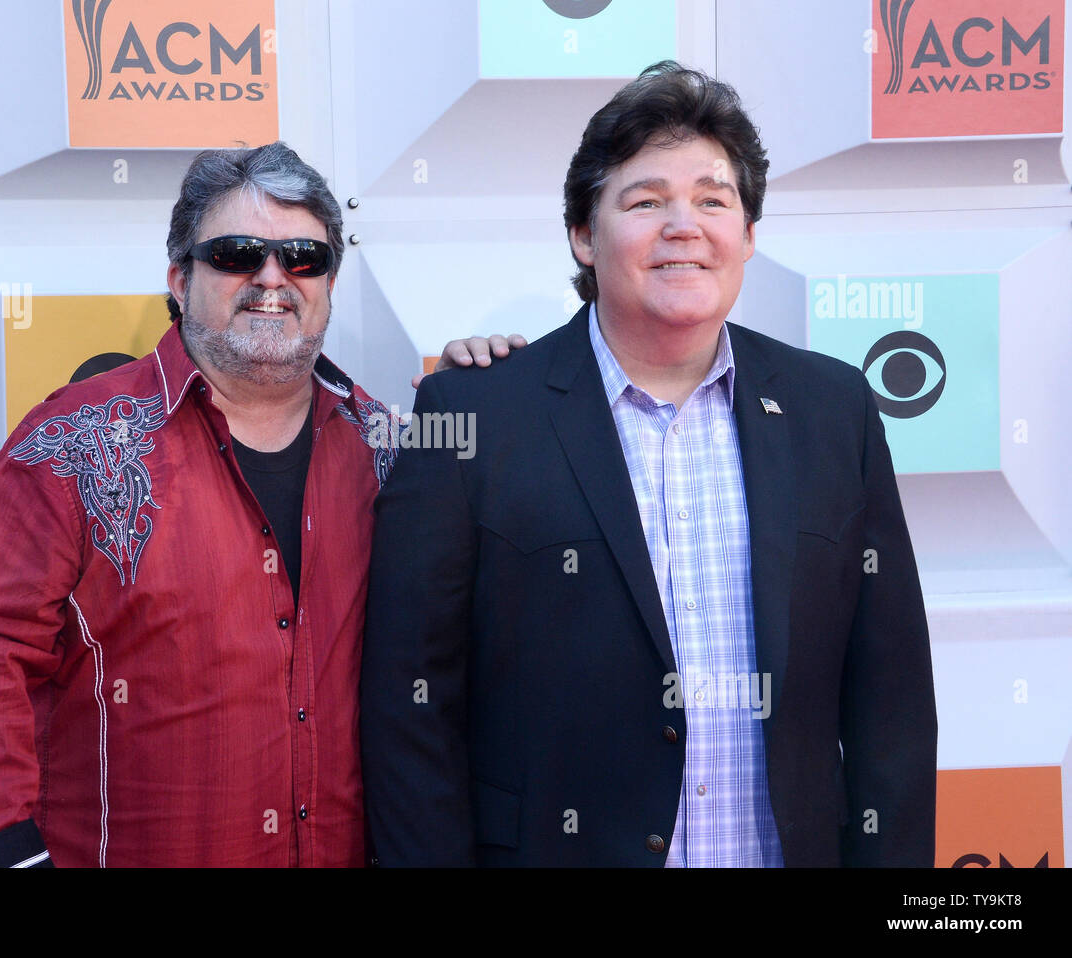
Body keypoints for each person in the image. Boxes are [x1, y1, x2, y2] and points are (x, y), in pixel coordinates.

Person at [359, 61, 938, 867]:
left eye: (713, 199)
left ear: (748, 235)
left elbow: (892, 702)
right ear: (583, 235)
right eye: (644, 200)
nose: (684, 225)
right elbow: (409, 709)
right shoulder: (475, 415)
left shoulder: (832, 411)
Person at [0, 141, 518, 867]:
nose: (272, 278)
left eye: (303, 257)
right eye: (237, 254)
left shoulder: (390, 450)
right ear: (178, 276)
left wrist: (493, 400)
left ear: (328, 283)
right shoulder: (76, 442)